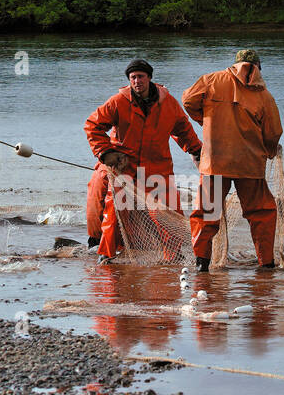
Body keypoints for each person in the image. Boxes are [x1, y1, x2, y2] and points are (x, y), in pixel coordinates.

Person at [85, 58, 202, 262]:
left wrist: (197, 151)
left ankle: (173, 256)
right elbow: (92, 126)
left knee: (170, 213)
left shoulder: (169, 103)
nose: (137, 81)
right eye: (133, 78)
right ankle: (105, 254)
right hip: (125, 166)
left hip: (158, 166)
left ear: (149, 78)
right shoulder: (118, 101)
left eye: (140, 76)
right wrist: (106, 152)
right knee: (115, 212)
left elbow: (184, 130)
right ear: (129, 81)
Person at [182, 49, 283, 272]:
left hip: (215, 162)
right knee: (261, 213)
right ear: (258, 67)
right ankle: (266, 264)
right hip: (250, 165)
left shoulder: (211, 80)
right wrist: (270, 150)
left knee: (207, 213)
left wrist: (207, 121)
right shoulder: (264, 95)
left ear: (235, 64)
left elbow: (188, 100)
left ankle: (202, 263)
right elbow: (273, 132)